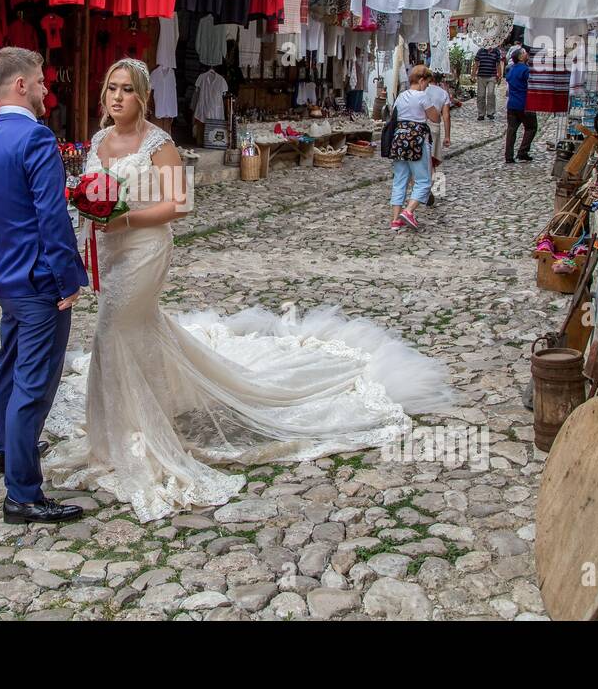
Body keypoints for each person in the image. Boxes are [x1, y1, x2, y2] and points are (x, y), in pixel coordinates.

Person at [42, 58, 451, 522]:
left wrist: (126, 218)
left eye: (127, 90)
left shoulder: (160, 144)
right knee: (138, 330)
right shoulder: (98, 140)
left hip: (145, 248)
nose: (117, 97)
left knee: (112, 330)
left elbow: (179, 205)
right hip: (110, 248)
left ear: (143, 96)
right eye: (111, 89)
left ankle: (126, 433)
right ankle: (145, 407)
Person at [0, 47, 89, 525]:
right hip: (40, 282)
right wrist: (68, 277)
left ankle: (6, 451)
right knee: (33, 386)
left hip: (6, 276)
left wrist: (8, 255)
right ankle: (22, 494)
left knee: (8, 369)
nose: (44, 89)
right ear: (20, 85)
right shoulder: (36, 140)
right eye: (39, 81)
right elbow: (52, 217)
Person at [387, 66, 441, 232]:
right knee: (424, 180)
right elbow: (435, 118)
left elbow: (393, 116)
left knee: (400, 180)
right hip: (417, 140)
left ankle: (395, 220)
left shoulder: (401, 96)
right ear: (421, 80)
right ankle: (409, 211)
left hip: (399, 139)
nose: (426, 86)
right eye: (427, 83)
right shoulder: (422, 97)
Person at [505, 48, 538, 163]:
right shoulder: (525, 70)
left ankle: (508, 156)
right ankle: (523, 151)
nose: (526, 54)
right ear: (520, 57)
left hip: (512, 104)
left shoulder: (511, 69)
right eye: (524, 53)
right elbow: (532, 83)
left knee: (511, 130)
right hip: (524, 103)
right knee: (531, 127)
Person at [473, 44, 502, 121]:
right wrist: (473, 75)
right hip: (481, 76)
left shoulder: (496, 51)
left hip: (492, 76)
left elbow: (498, 64)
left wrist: (499, 75)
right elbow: (476, 63)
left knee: (491, 94)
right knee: (480, 95)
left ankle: (490, 112)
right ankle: (481, 113)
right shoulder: (480, 51)